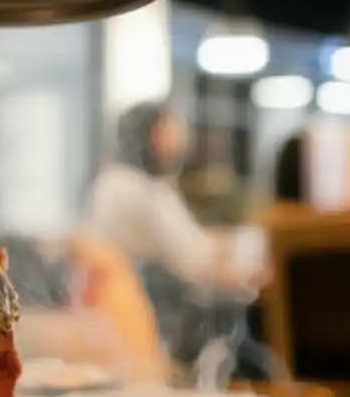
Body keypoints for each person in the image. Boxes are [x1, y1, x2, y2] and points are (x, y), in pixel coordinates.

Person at [87, 103, 238, 287]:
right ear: (153, 135)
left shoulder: (110, 180)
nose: (182, 138)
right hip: (148, 301)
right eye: (171, 130)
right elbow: (196, 259)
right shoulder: (143, 190)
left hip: (117, 296)